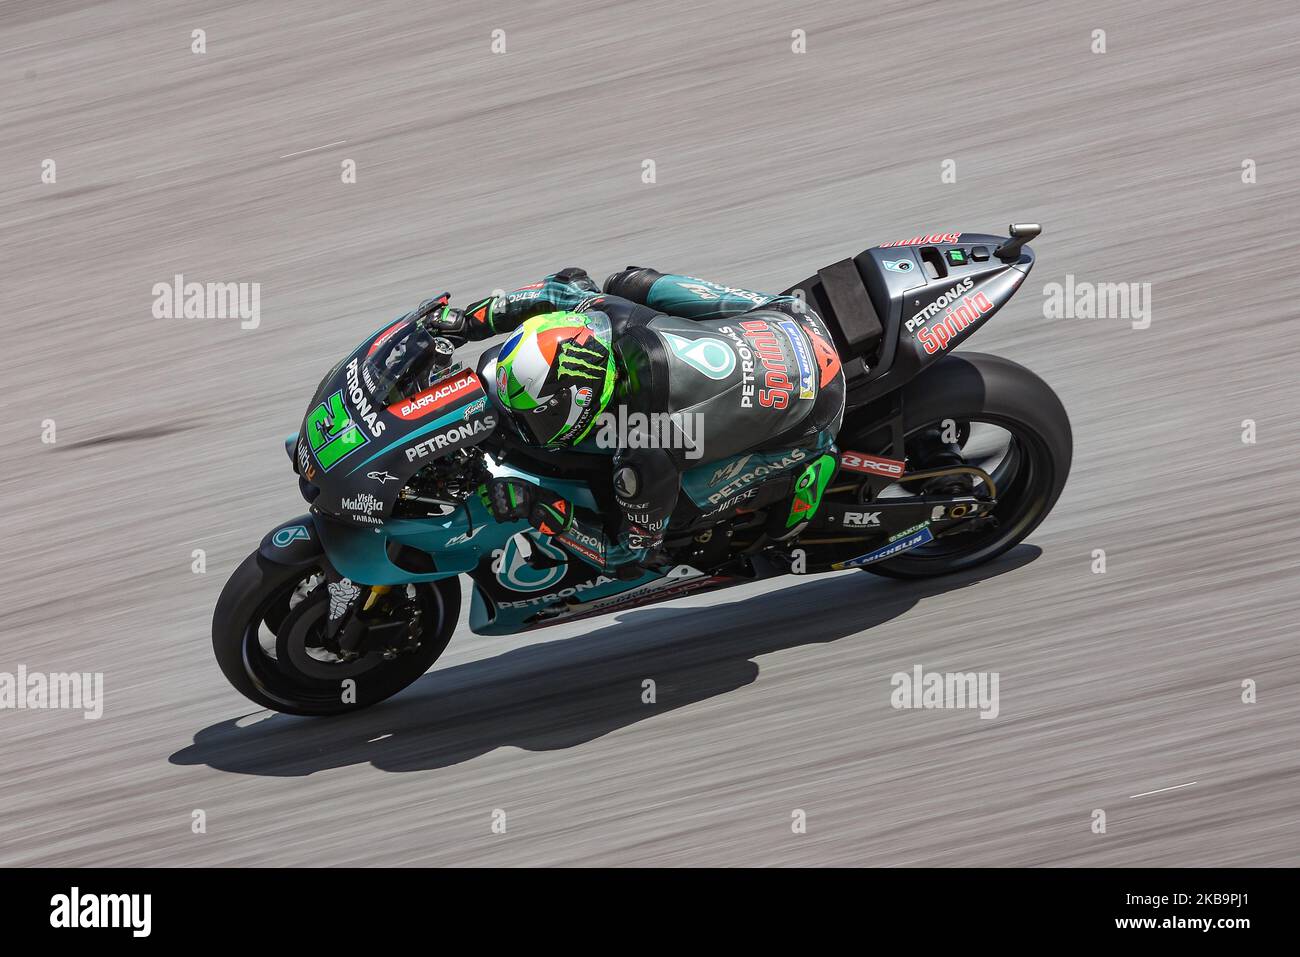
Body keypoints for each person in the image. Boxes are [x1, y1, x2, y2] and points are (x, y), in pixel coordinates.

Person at [421, 266, 846, 566]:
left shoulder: (645, 446)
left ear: (582, 403)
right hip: (790, 315)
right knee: (628, 283)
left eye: (538, 418)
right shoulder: (605, 317)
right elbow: (552, 293)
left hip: (816, 409)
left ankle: (812, 461)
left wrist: (540, 506)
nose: (529, 426)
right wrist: (465, 322)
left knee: (674, 515)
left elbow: (626, 553)